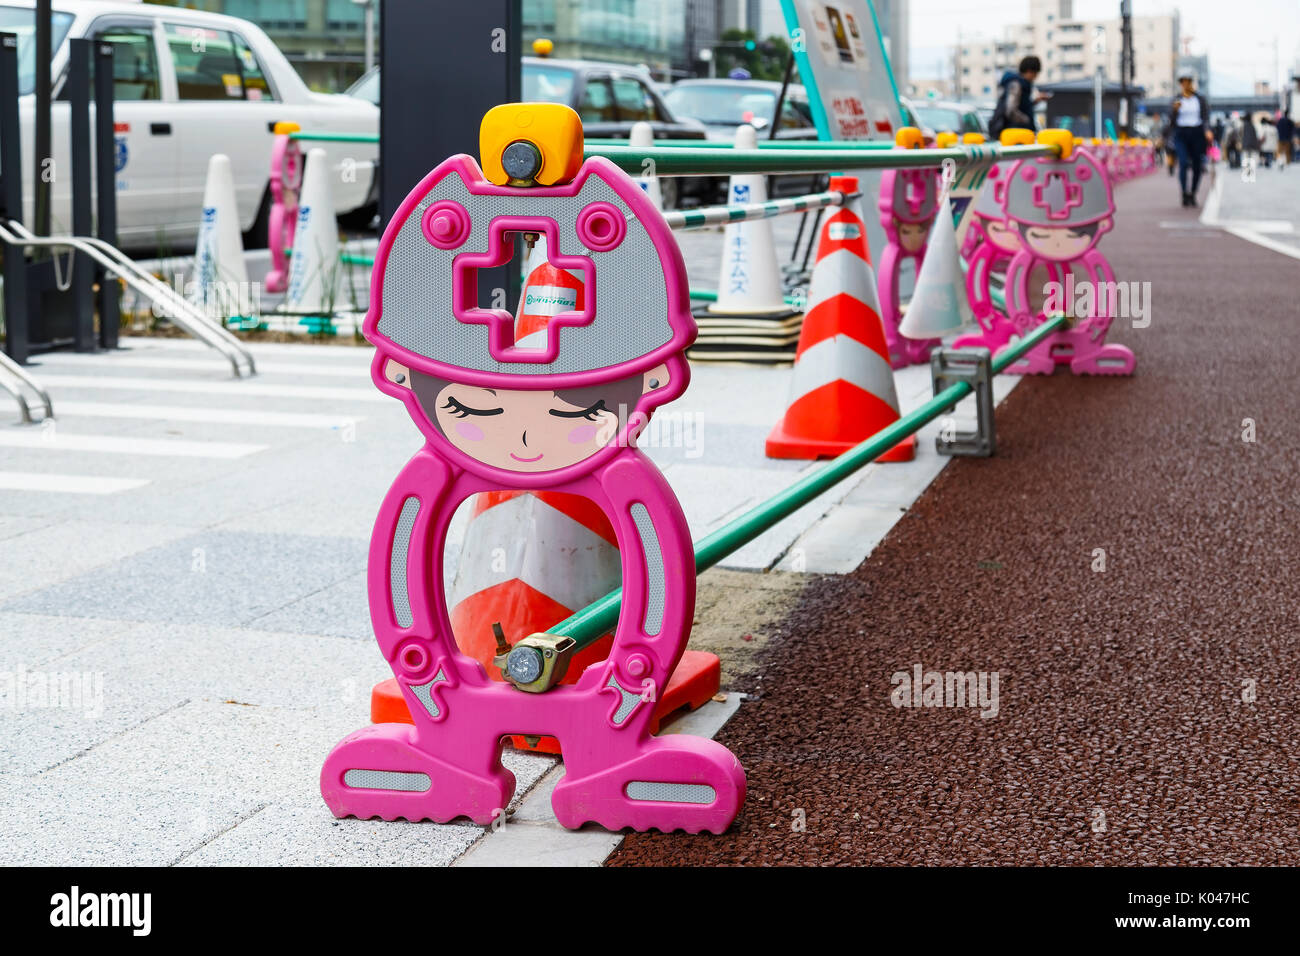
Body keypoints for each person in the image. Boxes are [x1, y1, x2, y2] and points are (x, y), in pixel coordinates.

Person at [1170, 71, 1212, 206]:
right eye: (1183, 82)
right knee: (1182, 163)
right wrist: (1175, 110)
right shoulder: (1177, 99)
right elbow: (1171, 121)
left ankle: (1193, 193)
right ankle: (1184, 192)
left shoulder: (1199, 99)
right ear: (1181, 84)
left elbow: (1205, 117)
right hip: (1181, 133)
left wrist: (1207, 131)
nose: (1186, 84)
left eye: (1188, 81)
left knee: (1197, 165)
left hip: (1197, 133)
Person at [989, 55, 1049, 139]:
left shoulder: (1021, 84)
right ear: (1029, 71)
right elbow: (1011, 110)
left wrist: (1035, 101)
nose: (1035, 77)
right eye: (1035, 74)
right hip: (1014, 132)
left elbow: (1022, 106)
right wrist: (1027, 120)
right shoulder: (1016, 84)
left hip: (1016, 131)